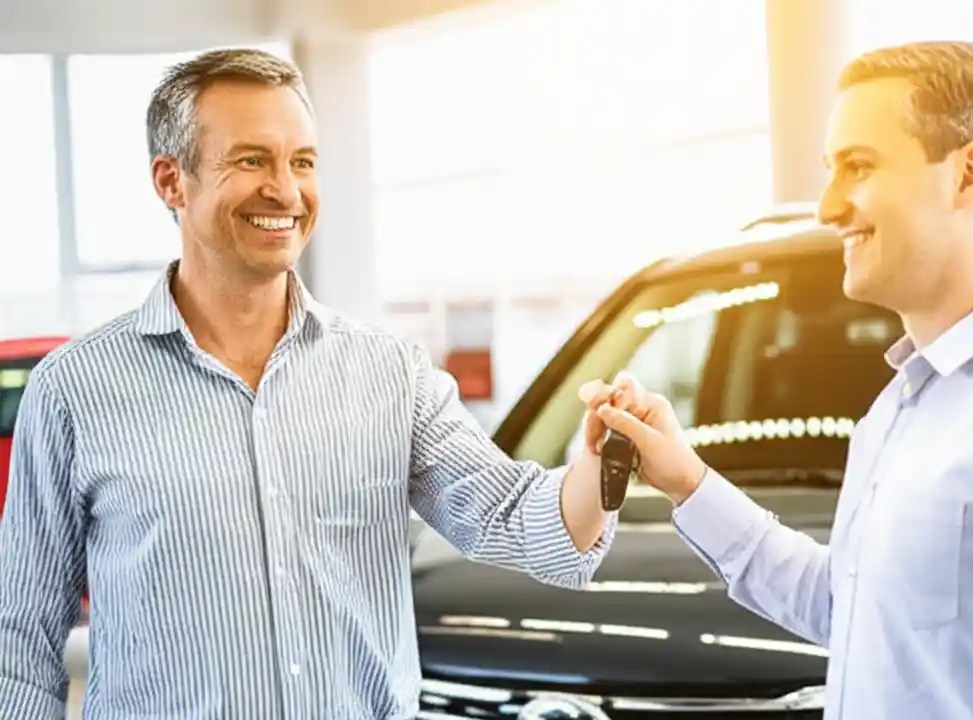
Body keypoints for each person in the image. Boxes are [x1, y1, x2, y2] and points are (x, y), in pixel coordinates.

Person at [0, 48, 629, 719]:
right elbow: (21, 636)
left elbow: (515, 519)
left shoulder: (391, 375)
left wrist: (597, 464)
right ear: (170, 181)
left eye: (302, 161)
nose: (287, 191)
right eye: (251, 160)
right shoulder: (77, 390)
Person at [592, 41, 973, 719]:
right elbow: (849, 609)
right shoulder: (901, 403)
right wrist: (686, 481)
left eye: (859, 167)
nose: (829, 205)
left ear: (967, 174)